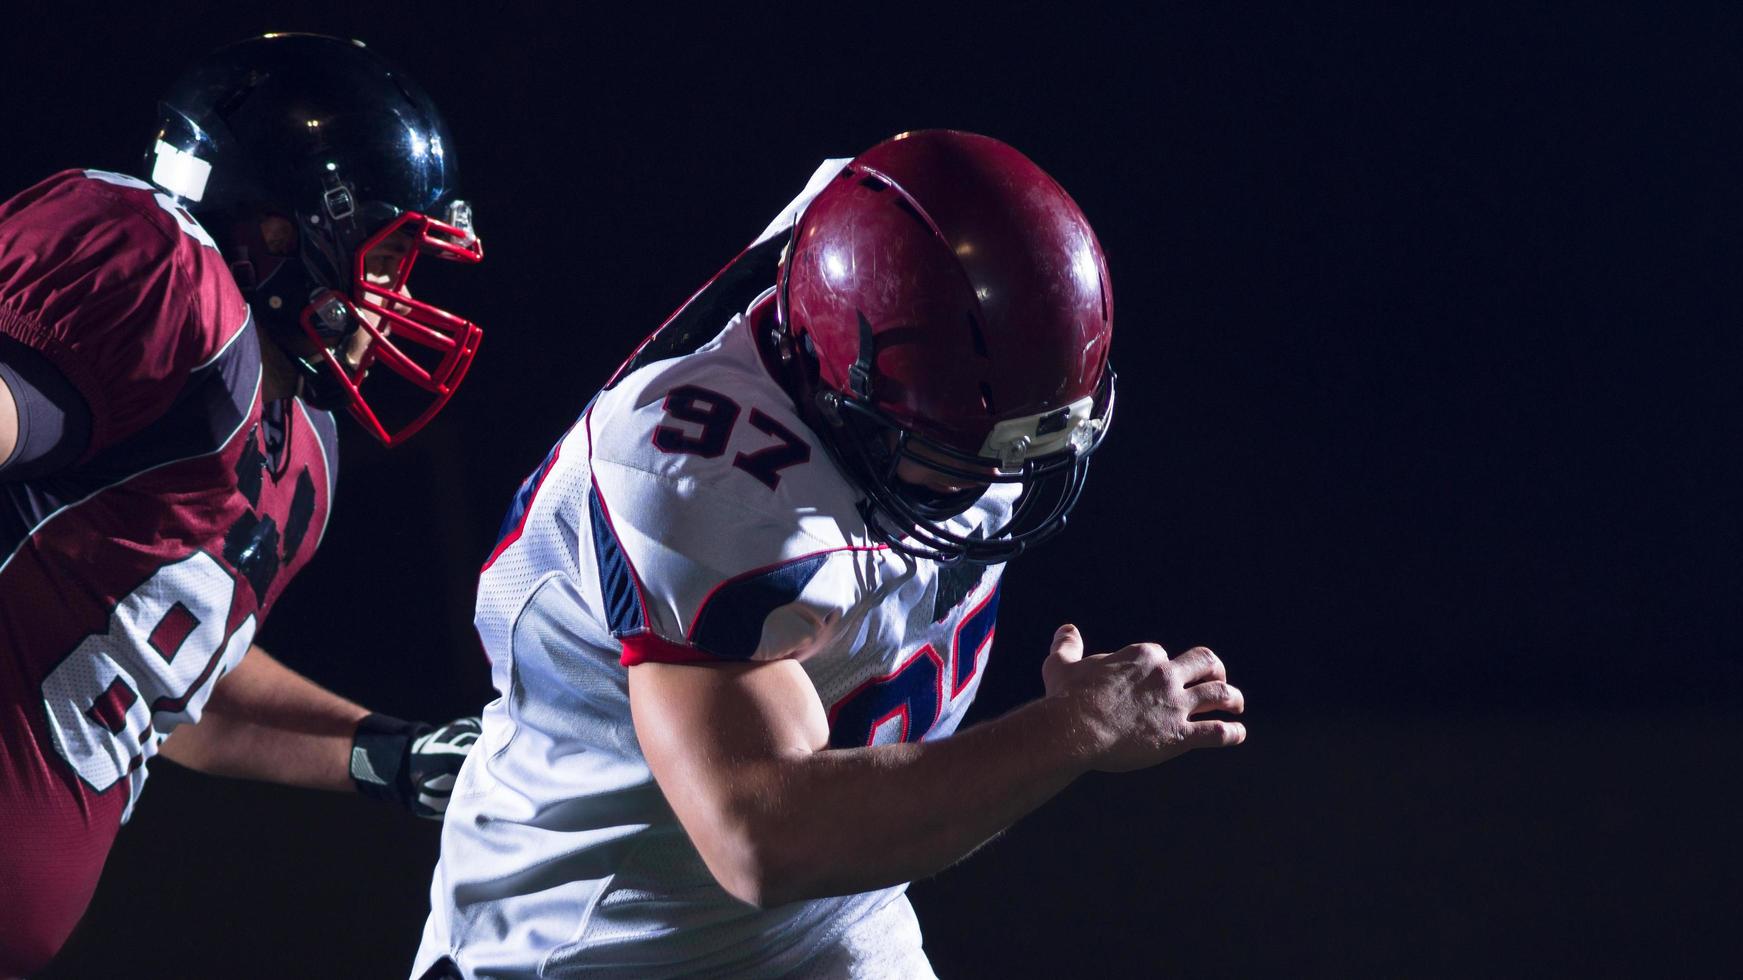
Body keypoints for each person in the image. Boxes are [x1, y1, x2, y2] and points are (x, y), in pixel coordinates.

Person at [415, 130, 1246, 979]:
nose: (999, 482)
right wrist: (1076, 727)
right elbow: (760, 840)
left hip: (831, 929)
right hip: (596, 944)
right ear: (841, 397)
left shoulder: (890, 281)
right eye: (964, 455)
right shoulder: (706, 487)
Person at [0, 34, 486, 977]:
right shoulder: (163, 275)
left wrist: (389, 753)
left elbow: (168, 677)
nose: (395, 299)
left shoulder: (302, 455)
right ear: (285, 230)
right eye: (387, 258)